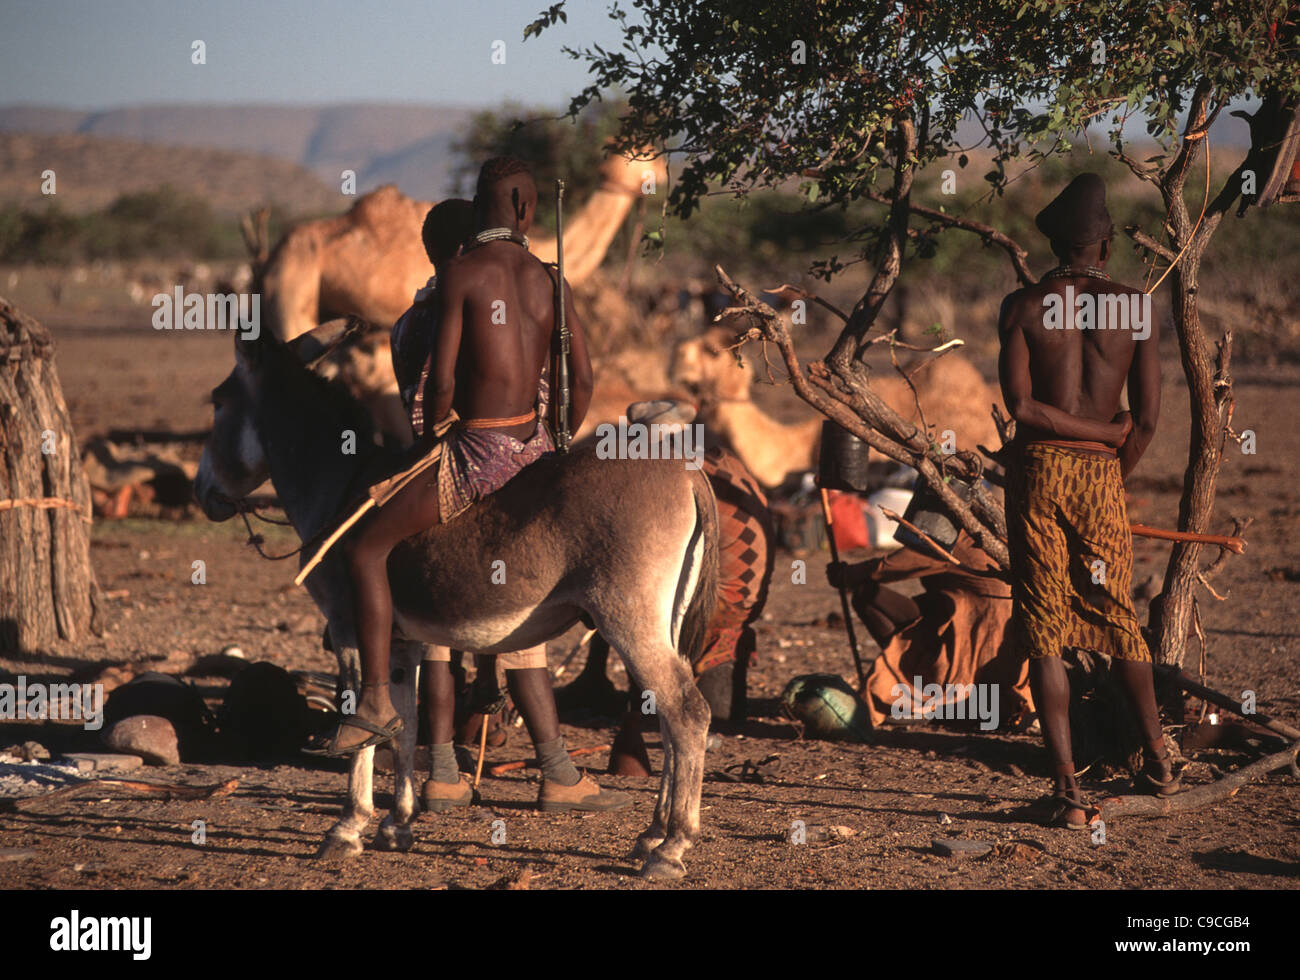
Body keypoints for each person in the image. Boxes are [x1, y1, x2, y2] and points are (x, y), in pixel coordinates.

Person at [319, 157, 626, 813]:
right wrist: (558, 439)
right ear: (525, 212)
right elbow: (586, 377)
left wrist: (435, 442)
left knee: (368, 551)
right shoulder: (551, 280)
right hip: (539, 453)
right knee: (526, 631)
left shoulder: (454, 282)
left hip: (476, 452)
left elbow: (439, 384)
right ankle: (554, 772)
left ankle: (380, 705)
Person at [997, 172, 1179, 830]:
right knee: (1117, 615)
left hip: (1039, 476)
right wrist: (1109, 462)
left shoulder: (1022, 307)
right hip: (1100, 476)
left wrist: (1081, 445)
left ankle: (1068, 793)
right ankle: (1159, 760)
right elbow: (1149, 419)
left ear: (1054, 243)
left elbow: (1020, 408)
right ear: (1104, 247)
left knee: (1044, 630)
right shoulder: (1134, 309)